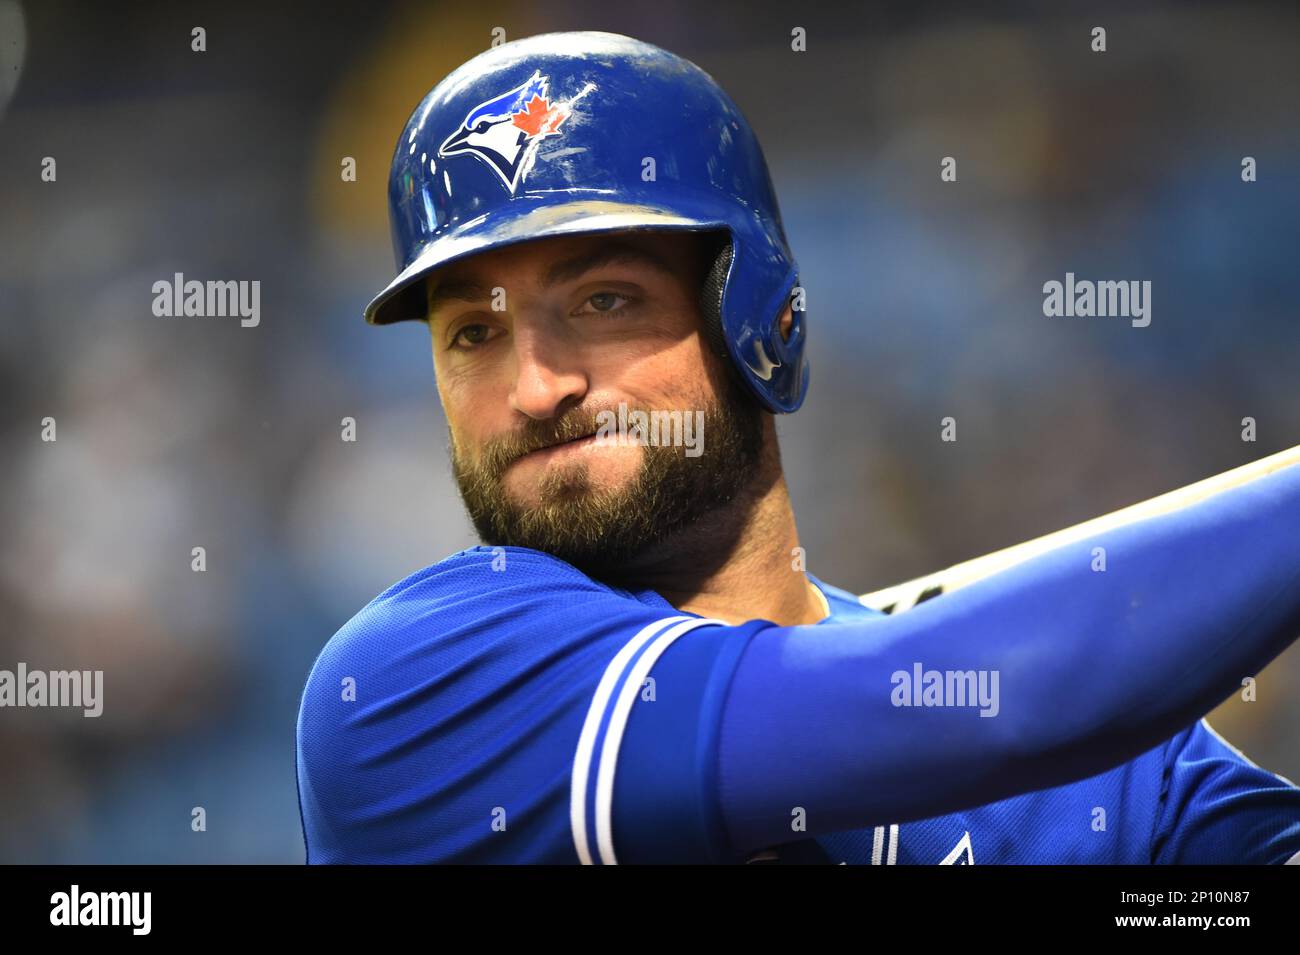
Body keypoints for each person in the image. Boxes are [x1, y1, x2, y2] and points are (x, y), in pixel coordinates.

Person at [296, 32, 1300, 864]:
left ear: (759, 318)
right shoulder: (415, 687)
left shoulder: (1117, 778)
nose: (535, 386)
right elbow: (1003, 704)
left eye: (604, 301)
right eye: (474, 333)